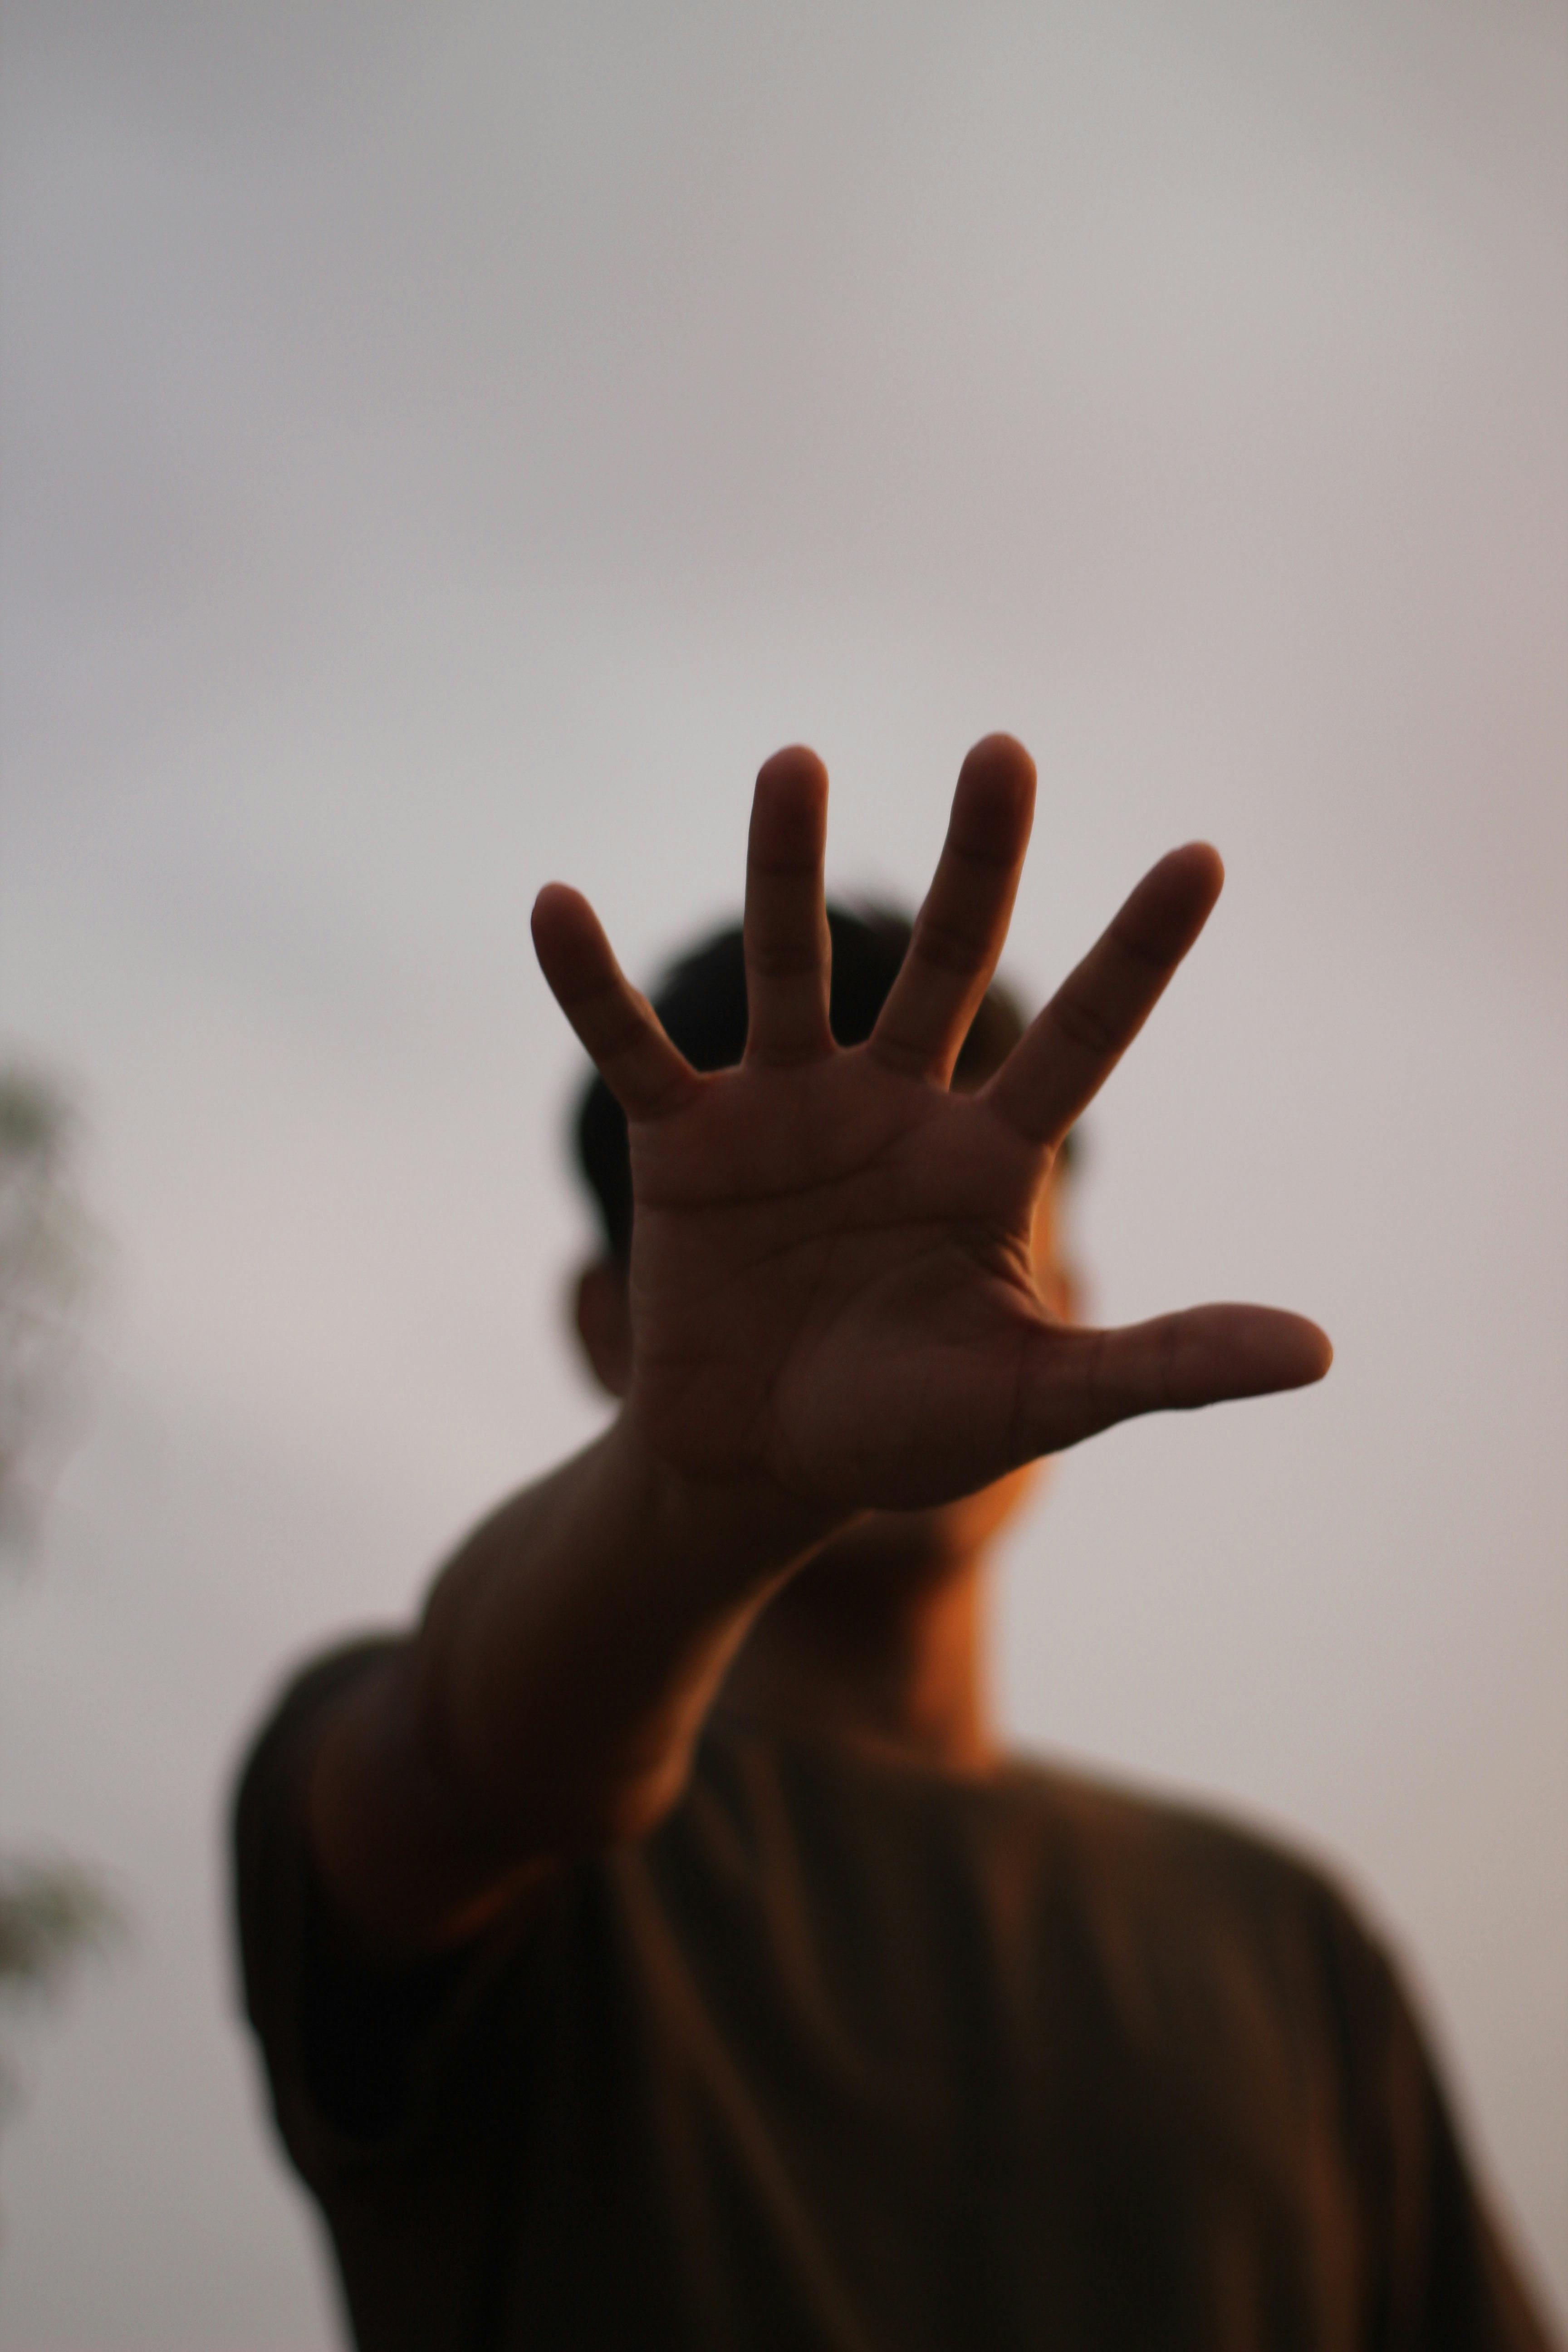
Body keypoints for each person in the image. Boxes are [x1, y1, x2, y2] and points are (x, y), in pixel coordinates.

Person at [233, 738, 1555, 2349]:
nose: (879, 1318)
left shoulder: (1289, 1948)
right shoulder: (514, 1832)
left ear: (1062, 1291)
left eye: (966, 1252)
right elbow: (448, 1771)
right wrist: (705, 1484)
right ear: (610, 1325)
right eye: (797, 1256)